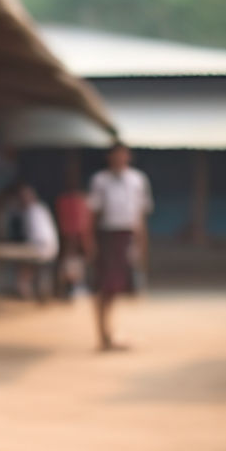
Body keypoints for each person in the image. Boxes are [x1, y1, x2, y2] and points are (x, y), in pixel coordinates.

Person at [86, 142, 153, 351]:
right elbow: (92, 215)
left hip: (127, 236)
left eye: (123, 154)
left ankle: (109, 333)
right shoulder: (100, 181)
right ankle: (103, 334)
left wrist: (142, 244)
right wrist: (91, 243)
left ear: (128, 156)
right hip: (107, 237)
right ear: (109, 157)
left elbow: (140, 215)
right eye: (116, 154)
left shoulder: (137, 180)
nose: (119, 158)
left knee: (116, 288)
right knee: (104, 287)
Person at [12, 184, 59, 300]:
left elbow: (31, 237)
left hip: (41, 247)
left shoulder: (30, 211)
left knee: (23, 265)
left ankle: (25, 295)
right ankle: (34, 292)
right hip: (50, 247)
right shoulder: (41, 208)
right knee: (29, 265)